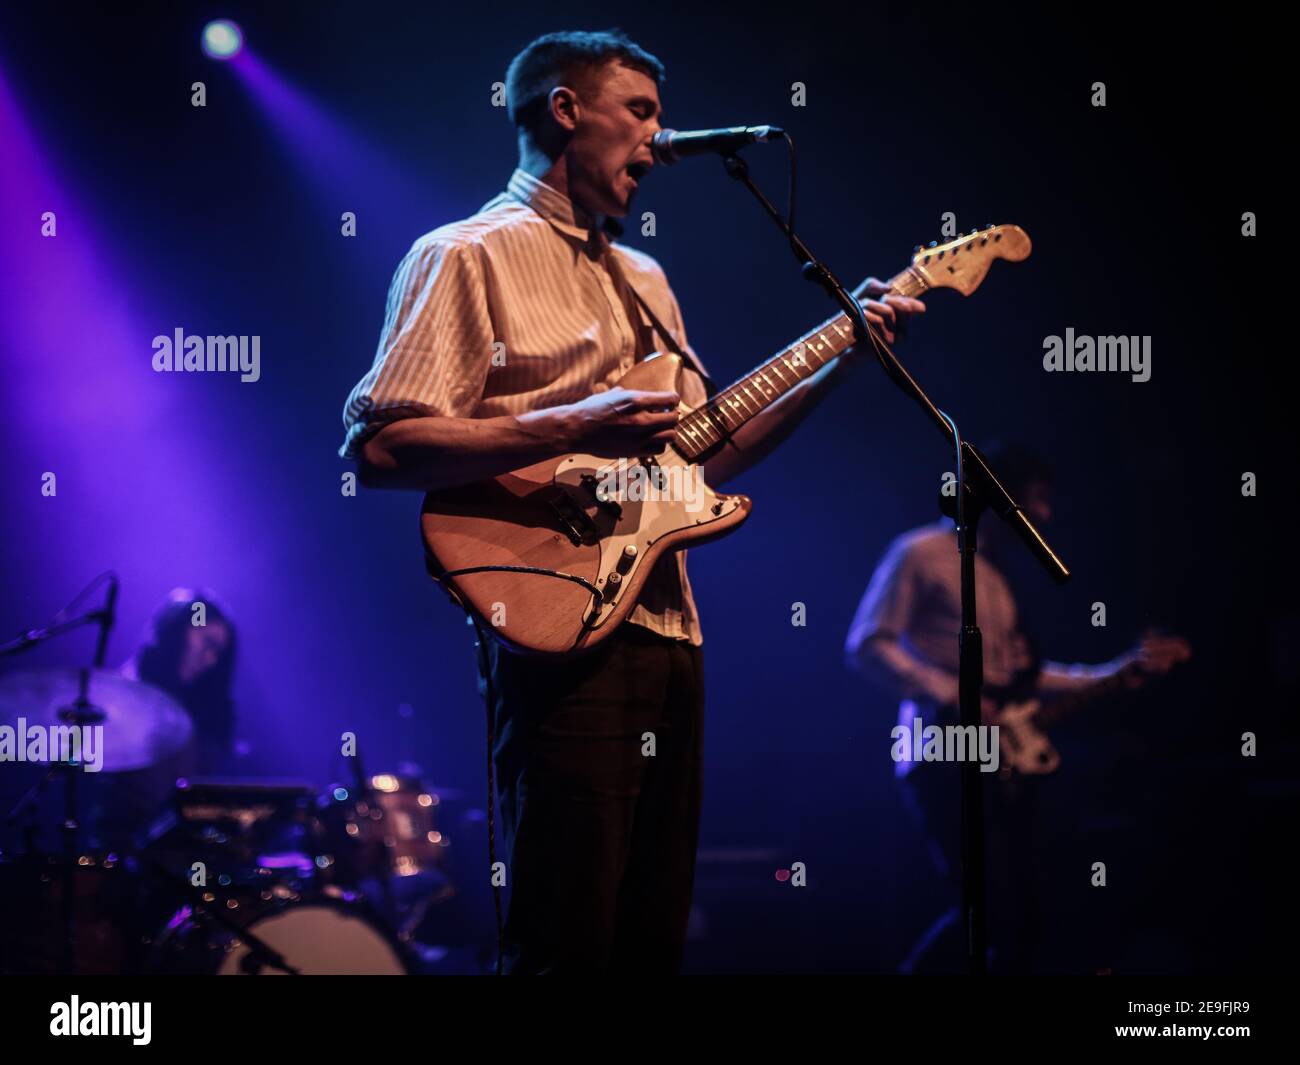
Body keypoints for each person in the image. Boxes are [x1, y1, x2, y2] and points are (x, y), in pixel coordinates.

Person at [341, 29, 924, 973]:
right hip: (555, 622)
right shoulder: (462, 254)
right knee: (567, 932)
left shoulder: (646, 278)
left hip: (667, 627)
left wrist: (844, 355)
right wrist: (570, 424)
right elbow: (381, 445)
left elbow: (706, 452)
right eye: (641, 111)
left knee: (650, 935)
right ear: (565, 111)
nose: (660, 138)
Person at [845, 445, 1173, 972]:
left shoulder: (997, 574)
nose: (1044, 514)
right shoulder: (918, 553)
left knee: (1027, 904)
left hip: (1002, 759)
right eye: (1035, 499)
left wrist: (1109, 673)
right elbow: (867, 644)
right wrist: (953, 694)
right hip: (938, 749)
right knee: (985, 905)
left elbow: (1020, 675)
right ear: (1001, 497)